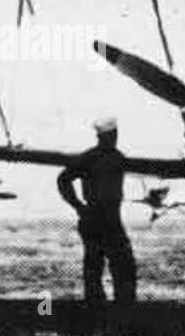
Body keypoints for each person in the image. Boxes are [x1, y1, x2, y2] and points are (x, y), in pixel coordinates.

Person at [57, 117, 137, 314]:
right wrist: (78, 206)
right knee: (122, 263)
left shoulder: (90, 158)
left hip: (92, 218)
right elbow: (63, 179)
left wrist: (78, 206)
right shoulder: (116, 158)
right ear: (111, 135)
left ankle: (96, 306)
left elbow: (63, 179)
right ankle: (123, 306)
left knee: (94, 264)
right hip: (108, 219)